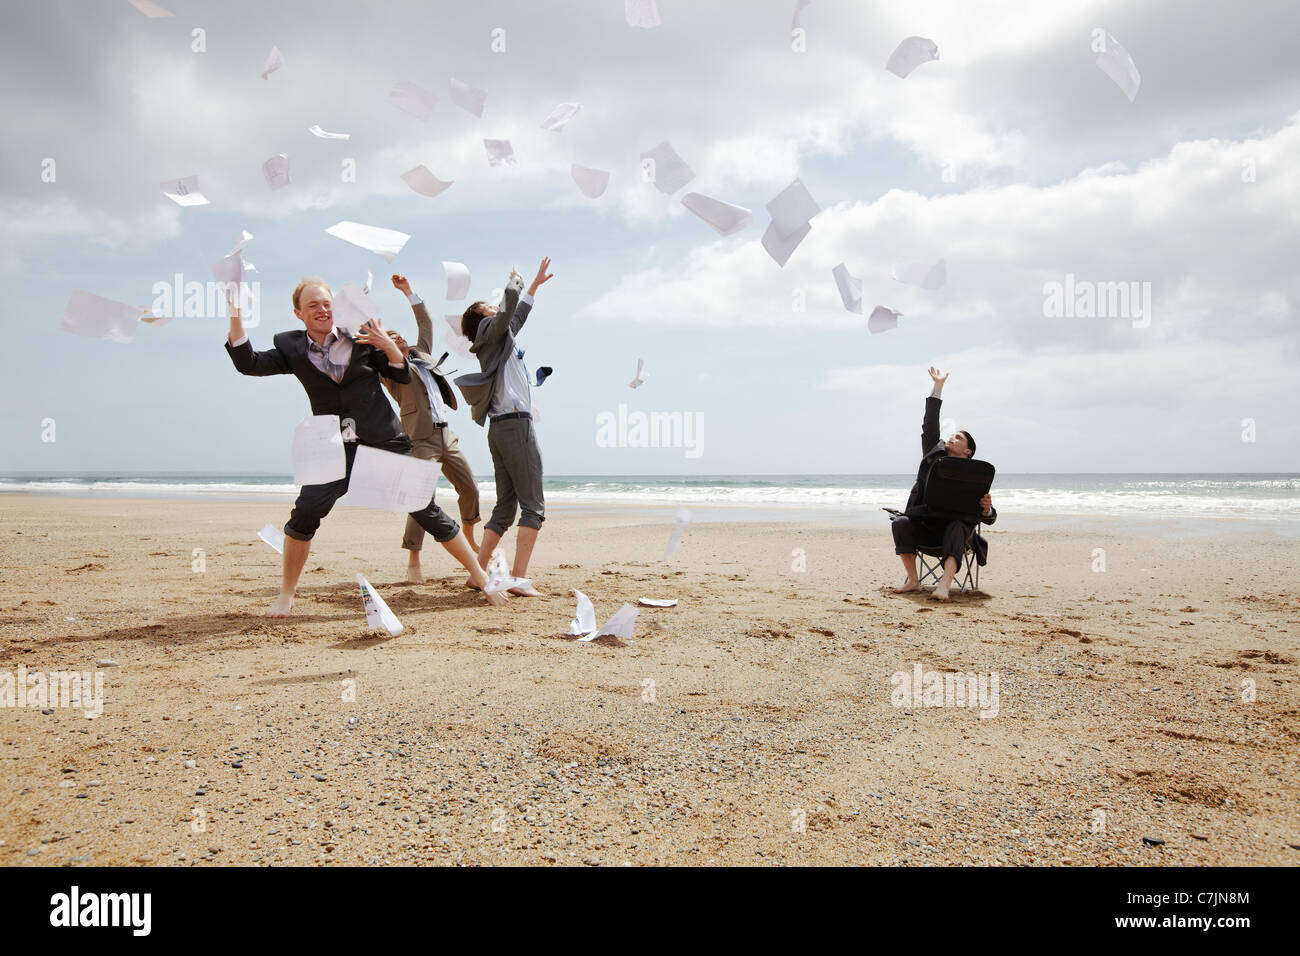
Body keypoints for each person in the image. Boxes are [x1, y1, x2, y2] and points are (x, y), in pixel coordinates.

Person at [224, 279, 506, 616]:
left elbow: (401, 376)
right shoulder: (292, 348)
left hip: (383, 439)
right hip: (332, 447)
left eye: (327, 303)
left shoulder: (360, 338)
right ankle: (286, 595)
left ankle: (481, 578)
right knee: (305, 514)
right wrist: (236, 313)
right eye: (313, 305)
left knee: (425, 509)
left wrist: (387, 344)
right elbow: (248, 363)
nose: (322, 309)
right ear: (298, 313)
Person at [454, 257, 553, 596]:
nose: (498, 309)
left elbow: (515, 315)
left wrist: (534, 286)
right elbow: (508, 311)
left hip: (500, 429)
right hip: (514, 426)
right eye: (491, 307)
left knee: (505, 508)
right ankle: (519, 580)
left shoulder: (498, 339)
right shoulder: (487, 331)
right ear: (483, 318)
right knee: (534, 507)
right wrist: (516, 280)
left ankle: (477, 574)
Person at [384, 273, 483, 584]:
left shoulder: (421, 352)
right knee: (419, 496)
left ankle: (468, 532)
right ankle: (414, 557)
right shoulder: (389, 371)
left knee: (469, 487)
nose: (397, 337)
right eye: (390, 336)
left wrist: (409, 291)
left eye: (398, 334)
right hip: (419, 438)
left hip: (446, 434)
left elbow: (425, 323)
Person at [891, 366, 997, 601]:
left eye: (959, 437)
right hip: (926, 528)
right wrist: (938, 386)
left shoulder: (976, 473)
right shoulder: (933, 455)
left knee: (958, 526)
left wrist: (986, 508)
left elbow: (989, 517)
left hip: (955, 535)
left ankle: (944, 586)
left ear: (968, 451)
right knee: (899, 522)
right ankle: (914, 582)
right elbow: (930, 423)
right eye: (953, 434)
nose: (952, 436)